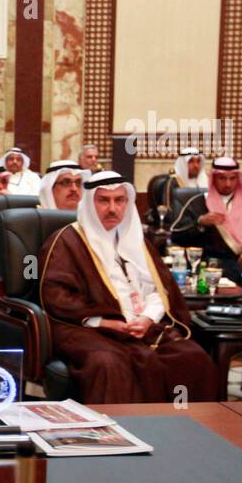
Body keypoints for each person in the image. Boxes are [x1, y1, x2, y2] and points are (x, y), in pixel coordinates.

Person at [38, 171, 217, 403]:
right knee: (109, 365)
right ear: (90, 203)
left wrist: (148, 318)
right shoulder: (66, 240)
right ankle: (116, 433)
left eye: (119, 200)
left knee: (193, 357)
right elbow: (55, 296)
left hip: (140, 327)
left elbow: (159, 290)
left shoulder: (137, 240)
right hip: (88, 329)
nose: (113, 208)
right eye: (104, 200)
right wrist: (104, 322)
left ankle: (182, 430)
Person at [168, 156, 242, 283]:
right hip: (210, 265)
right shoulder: (198, 202)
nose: (228, 184)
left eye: (232, 178)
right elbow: (177, 235)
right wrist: (200, 223)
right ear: (213, 178)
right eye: (222, 178)